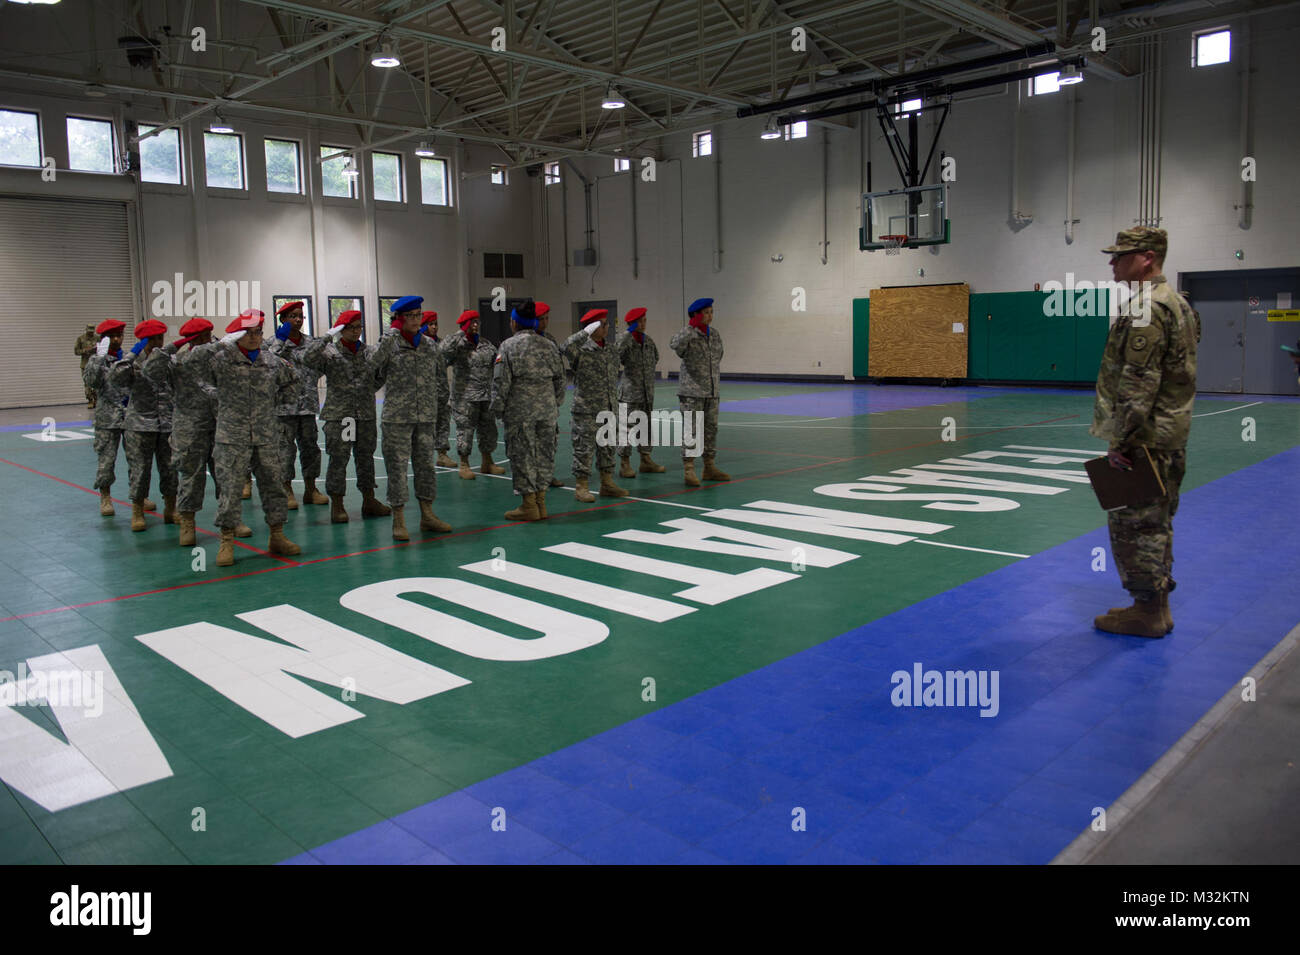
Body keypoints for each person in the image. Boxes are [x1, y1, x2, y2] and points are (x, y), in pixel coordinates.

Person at [1090, 227, 1198, 638]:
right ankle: (1156, 607)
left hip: (1146, 439)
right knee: (1158, 523)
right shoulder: (1177, 304)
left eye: (1122, 255)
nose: (1113, 263)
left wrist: (1123, 441)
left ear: (1148, 258)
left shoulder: (1148, 308)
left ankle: (1147, 612)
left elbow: (1139, 383)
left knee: (1137, 527)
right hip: (1167, 435)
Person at [206, 310, 300, 566]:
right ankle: (227, 540)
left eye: (258, 332)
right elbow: (193, 372)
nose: (254, 337)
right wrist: (216, 398)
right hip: (232, 435)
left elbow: (293, 380)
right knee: (231, 488)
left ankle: (277, 536)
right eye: (248, 332)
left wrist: (278, 403)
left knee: (273, 484)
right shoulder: (221, 359)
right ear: (237, 334)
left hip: (266, 434)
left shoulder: (271, 361)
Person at [147, 317, 251, 545]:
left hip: (221, 424)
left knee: (227, 476)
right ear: (192, 340)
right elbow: (150, 371)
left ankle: (232, 520)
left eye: (209, 334)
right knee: (190, 477)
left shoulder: (222, 358)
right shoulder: (178, 361)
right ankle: (187, 522)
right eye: (201, 337)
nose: (207, 340)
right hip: (189, 427)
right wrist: (172, 346)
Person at [373, 297, 452, 541]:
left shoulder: (430, 345)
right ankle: (399, 519)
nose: (417, 320)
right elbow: (371, 368)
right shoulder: (389, 343)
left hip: (426, 416)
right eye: (411, 316)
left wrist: (440, 409)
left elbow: (441, 378)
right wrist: (387, 339)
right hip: (398, 418)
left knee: (425, 466)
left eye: (419, 315)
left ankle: (427, 514)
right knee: (397, 468)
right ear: (399, 318)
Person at [301, 309, 389, 523]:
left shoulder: (368, 352)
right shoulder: (330, 352)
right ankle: (338, 505)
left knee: (366, 459)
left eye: (359, 327)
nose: (356, 331)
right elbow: (307, 357)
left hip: (365, 415)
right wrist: (326, 336)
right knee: (339, 459)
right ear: (341, 330)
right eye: (351, 328)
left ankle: (369, 500)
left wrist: (365, 390)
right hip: (341, 417)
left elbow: (380, 375)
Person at [491, 300, 565, 521]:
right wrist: (554, 402)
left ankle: (529, 505)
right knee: (544, 454)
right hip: (547, 409)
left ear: (514, 322)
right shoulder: (549, 345)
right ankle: (541, 503)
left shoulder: (508, 346)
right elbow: (561, 379)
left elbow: (501, 382)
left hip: (520, 411)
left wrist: (498, 408)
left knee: (522, 455)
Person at [112, 319, 178, 532]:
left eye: (160, 337)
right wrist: (131, 355)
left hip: (166, 423)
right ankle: (137, 511)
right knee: (140, 470)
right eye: (153, 339)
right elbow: (116, 379)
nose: (158, 342)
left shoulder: (168, 359)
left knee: (169, 469)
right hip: (139, 424)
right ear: (143, 340)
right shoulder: (132, 362)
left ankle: (171, 508)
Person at [564, 309, 627, 502]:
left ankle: (607, 483)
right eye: (603, 324)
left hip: (608, 406)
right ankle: (581, 487)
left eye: (606, 324)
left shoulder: (611, 349)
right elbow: (565, 346)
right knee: (584, 448)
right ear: (593, 327)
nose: (607, 327)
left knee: (607, 447)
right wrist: (585, 333)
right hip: (586, 409)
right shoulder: (580, 349)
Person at [269, 300, 326, 510]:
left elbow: (321, 365)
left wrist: (308, 381)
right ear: (282, 320)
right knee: (285, 450)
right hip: (283, 407)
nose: (298, 320)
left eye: (300, 316)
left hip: (307, 405)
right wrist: (280, 341)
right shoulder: (272, 343)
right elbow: (268, 365)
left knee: (310, 448)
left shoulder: (311, 342)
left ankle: (311, 489)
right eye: (293, 316)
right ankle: (287, 490)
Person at [669, 297, 729, 487]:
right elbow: (674, 345)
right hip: (692, 392)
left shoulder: (715, 335)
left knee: (711, 430)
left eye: (711, 312)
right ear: (695, 315)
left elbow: (718, 357)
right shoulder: (688, 335)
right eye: (706, 312)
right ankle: (689, 469)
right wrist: (690, 327)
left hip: (711, 392)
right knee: (691, 431)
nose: (710, 316)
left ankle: (709, 467)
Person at [442, 309, 503, 480]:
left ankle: (487, 462)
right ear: (464, 325)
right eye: (471, 322)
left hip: (485, 396)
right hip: (464, 398)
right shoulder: (457, 345)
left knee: (488, 430)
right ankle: (464, 464)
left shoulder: (486, 345)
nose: (475, 325)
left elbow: (497, 363)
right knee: (465, 431)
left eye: (477, 322)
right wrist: (461, 332)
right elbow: (442, 351)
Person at [83, 320, 129, 516]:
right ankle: (106, 497)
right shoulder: (96, 359)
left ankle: (139, 496)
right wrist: (99, 358)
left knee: (137, 461)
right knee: (106, 461)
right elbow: (92, 382)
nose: (118, 340)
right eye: (113, 336)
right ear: (104, 339)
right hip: (107, 419)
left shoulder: (128, 358)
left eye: (120, 335)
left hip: (130, 417)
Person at [616, 306, 664, 477]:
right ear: (632, 323)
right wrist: (628, 333)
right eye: (640, 321)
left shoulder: (648, 341)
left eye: (644, 320)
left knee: (646, 427)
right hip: (630, 393)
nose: (643, 324)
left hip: (646, 393)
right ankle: (624, 463)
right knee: (626, 429)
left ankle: (646, 460)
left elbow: (656, 357)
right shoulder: (625, 340)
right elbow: (616, 353)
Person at [422, 310, 458, 469]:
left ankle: (442, 455)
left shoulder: (443, 344)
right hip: (424, 393)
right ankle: (423, 457)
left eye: (436, 324)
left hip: (442, 391)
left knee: (443, 423)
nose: (435, 327)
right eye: (431, 324)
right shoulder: (419, 345)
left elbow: (448, 361)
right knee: (425, 426)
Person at [536, 302, 565, 489]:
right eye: (541, 319)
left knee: (549, 440)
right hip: (528, 403)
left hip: (548, 401)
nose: (545, 323)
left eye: (547, 318)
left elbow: (559, 372)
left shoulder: (551, 341)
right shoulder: (520, 342)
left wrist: (558, 397)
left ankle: (546, 475)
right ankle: (534, 479)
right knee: (530, 443)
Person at [74, 323, 99, 410]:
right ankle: (90, 400)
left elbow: (103, 349)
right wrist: (85, 350)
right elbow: (76, 351)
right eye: (89, 332)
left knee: (96, 383)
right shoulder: (80, 339)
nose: (90, 333)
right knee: (87, 384)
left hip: (96, 363)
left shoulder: (98, 338)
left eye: (92, 332)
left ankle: (97, 400)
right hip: (85, 364)